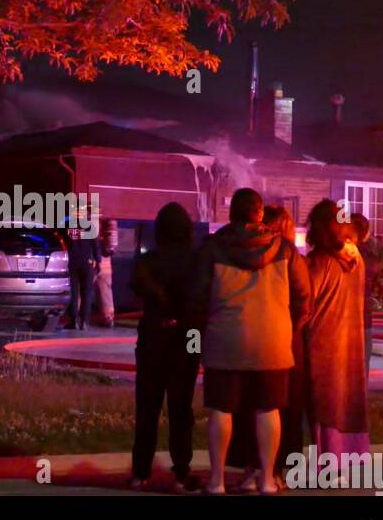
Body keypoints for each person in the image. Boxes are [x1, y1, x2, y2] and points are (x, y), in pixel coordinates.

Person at [190, 189, 310, 494]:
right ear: (259, 214)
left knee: (221, 409)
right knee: (268, 409)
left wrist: (206, 328)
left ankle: (217, 480)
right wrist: (287, 327)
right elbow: (303, 297)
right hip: (272, 341)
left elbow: (197, 297)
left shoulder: (213, 248)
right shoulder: (285, 249)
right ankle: (267, 479)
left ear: (231, 214)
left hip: (225, 339)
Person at [225, 205, 307, 492]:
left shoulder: (242, 254)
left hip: (254, 338)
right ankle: (273, 473)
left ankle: (255, 470)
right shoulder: (292, 258)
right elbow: (303, 300)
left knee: (253, 407)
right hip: (284, 340)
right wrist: (291, 325)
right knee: (279, 409)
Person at [128, 203, 200, 493]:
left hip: (152, 339)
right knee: (181, 409)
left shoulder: (148, 262)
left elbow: (136, 289)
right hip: (187, 339)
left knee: (147, 408)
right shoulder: (196, 262)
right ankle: (182, 473)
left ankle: (139, 473)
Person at [305, 200, 370, 480]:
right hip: (352, 338)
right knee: (348, 398)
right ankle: (350, 458)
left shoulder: (319, 262)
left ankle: (328, 464)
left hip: (323, 339)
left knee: (324, 403)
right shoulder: (357, 260)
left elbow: (304, 301)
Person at [351, 213, 380, 378]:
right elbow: (373, 286)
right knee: (362, 366)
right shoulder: (372, 259)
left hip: (343, 318)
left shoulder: (341, 256)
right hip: (364, 318)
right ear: (366, 233)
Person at [65, 216, 101, 330]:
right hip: (87, 263)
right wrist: (98, 261)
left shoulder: (68, 226)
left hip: (72, 263)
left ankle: (73, 320)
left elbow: (65, 243)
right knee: (87, 293)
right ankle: (84, 322)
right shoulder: (89, 226)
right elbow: (96, 245)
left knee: (74, 292)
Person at [96, 217, 119, 327]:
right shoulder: (107, 224)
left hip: (93, 263)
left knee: (83, 291)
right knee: (105, 293)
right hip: (106, 264)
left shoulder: (87, 224)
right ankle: (108, 317)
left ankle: (78, 317)